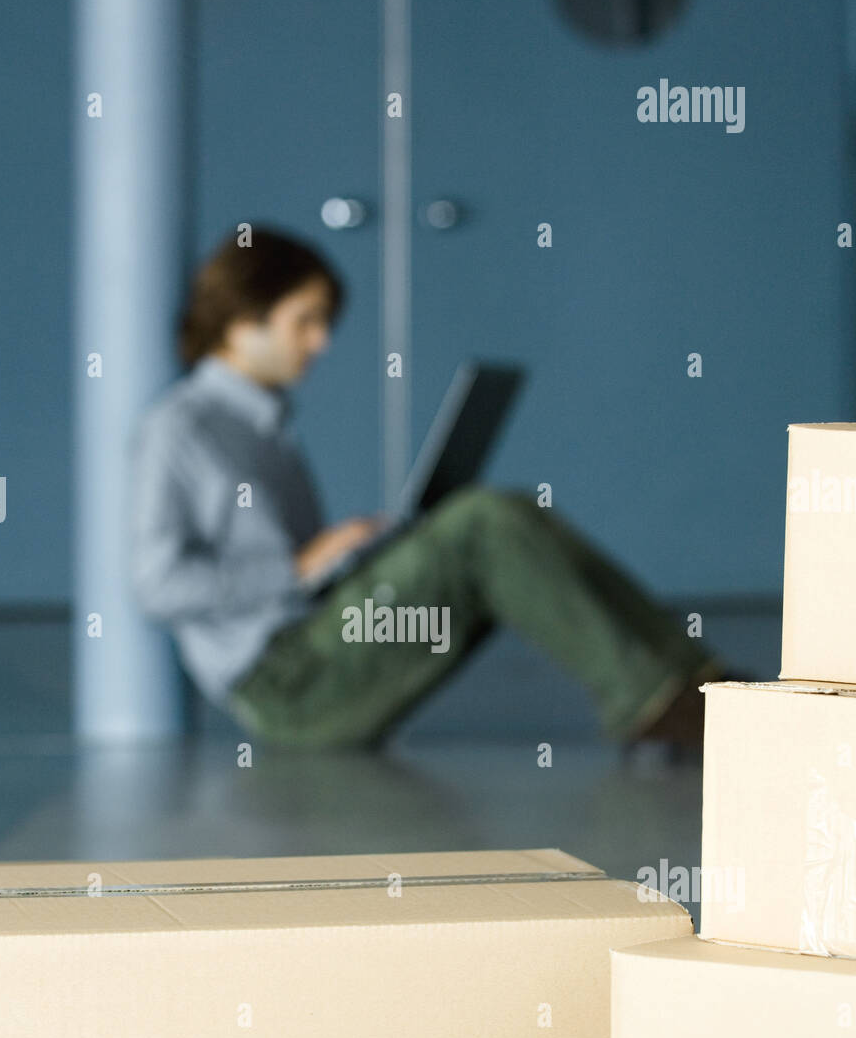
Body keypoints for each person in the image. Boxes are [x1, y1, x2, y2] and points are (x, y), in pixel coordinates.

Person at [131, 225, 721, 750]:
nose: (320, 343)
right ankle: (656, 703)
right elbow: (156, 587)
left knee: (510, 513)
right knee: (484, 522)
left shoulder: (264, 423)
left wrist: (356, 557)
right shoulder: (179, 430)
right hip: (287, 687)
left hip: (318, 640)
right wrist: (299, 566)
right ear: (242, 319)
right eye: (304, 321)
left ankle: (692, 679)